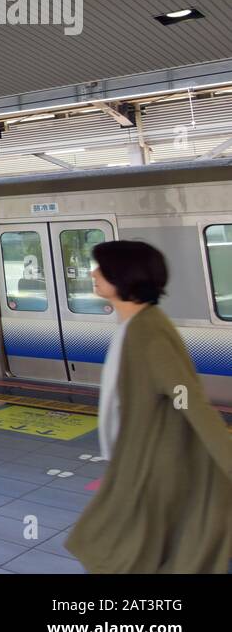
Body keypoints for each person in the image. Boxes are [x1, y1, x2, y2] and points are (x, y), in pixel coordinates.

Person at [66, 240, 232, 573]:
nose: (93, 272)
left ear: (124, 276)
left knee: (120, 548)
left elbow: (188, 399)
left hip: (152, 467)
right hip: (134, 461)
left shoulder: (148, 334)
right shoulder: (135, 325)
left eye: (102, 267)